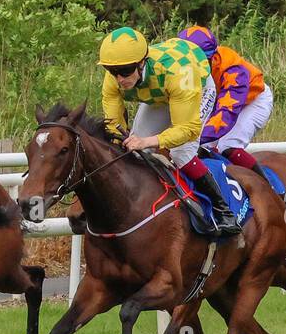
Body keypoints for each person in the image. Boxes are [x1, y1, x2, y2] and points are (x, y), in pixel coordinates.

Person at [97, 26, 241, 237]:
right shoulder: (115, 77)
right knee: (135, 152)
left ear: (141, 62)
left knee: (180, 152)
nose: (119, 78)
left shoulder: (179, 73)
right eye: (112, 71)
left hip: (193, 85)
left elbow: (187, 130)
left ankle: (223, 211)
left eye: (125, 71)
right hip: (159, 94)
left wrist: (148, 141)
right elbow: (113, 124)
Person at [177, 26, 273, 169]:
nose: (192, 68)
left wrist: (190, 137)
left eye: (198, 63)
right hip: (218, 100)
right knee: (199, 145)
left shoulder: (234, 72)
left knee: (228, 146)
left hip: (252, 101)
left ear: (212, 58)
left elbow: (225, 115)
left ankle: (268, 185)